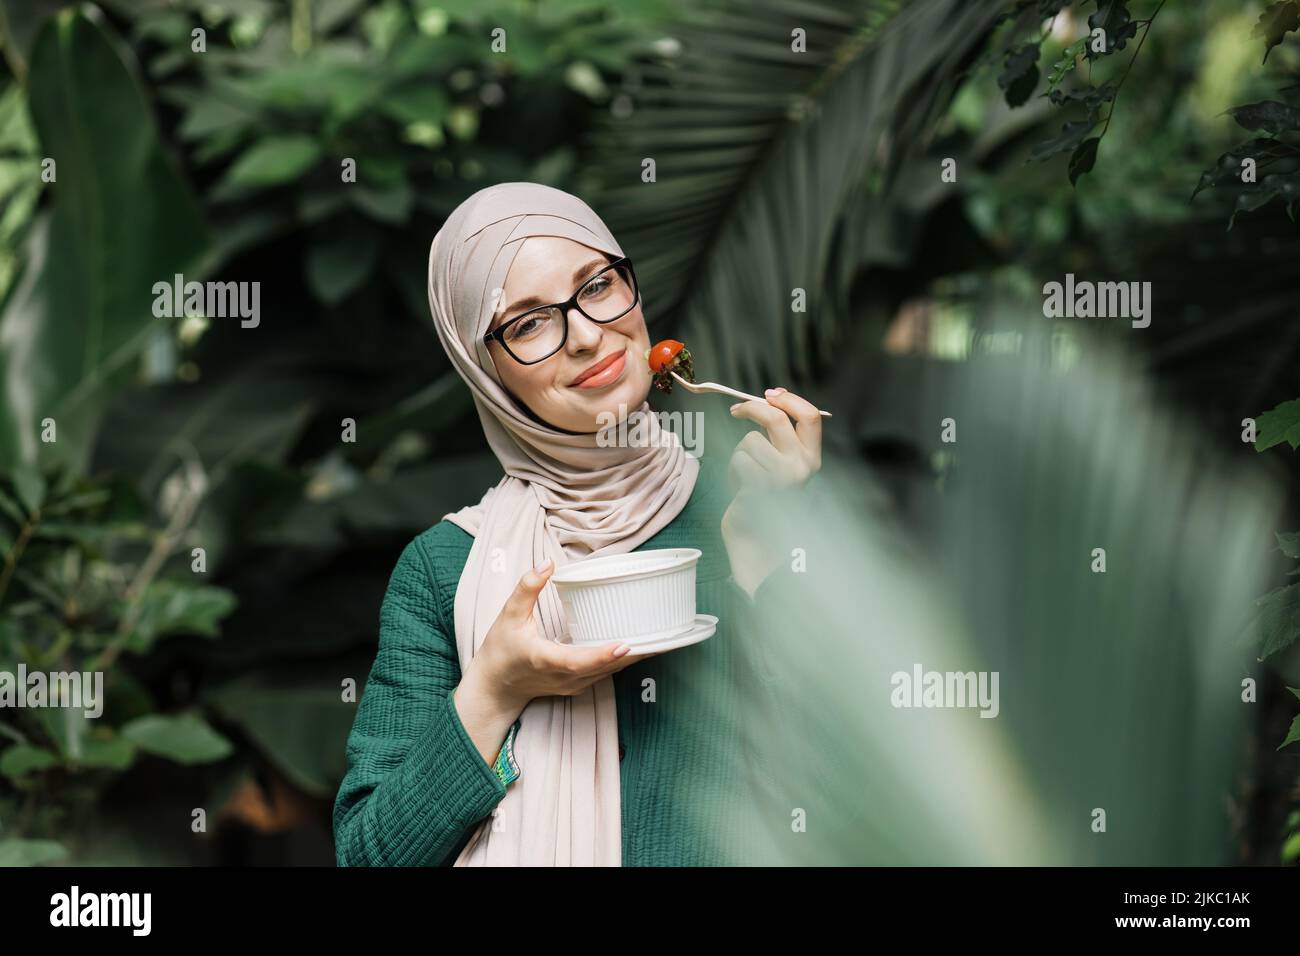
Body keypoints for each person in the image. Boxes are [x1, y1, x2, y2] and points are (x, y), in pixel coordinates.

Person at [332, 182, 824, 866]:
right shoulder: (445, 568)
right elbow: (369, 857)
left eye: (597, 285)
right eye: (529, 324)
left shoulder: (756, 503)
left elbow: (855, 796)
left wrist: (759, 566)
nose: (588, 336)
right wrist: (493, 691)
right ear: (487, 370)